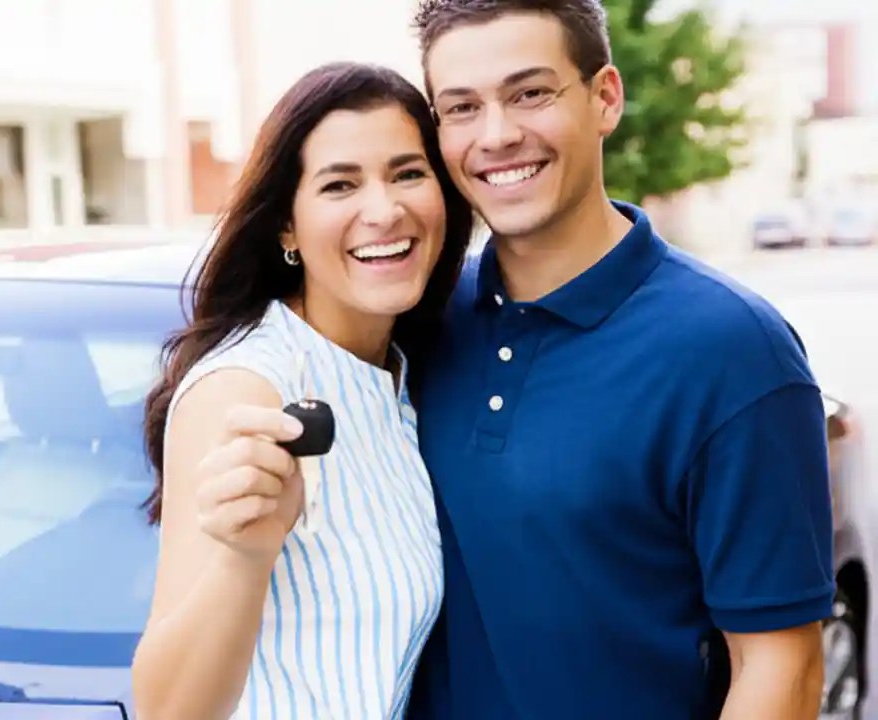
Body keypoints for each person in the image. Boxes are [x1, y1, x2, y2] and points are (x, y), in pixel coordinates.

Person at [404, 1, 834, 718]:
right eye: (461, 108)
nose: (498, 135)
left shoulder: (732, 351)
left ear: (605, 97)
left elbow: (779, 666)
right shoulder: (422, 322)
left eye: (530, 93)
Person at [130, 61, 474, 719]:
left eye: (407, 173)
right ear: (286, 227)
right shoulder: (247, 393)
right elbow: (168, 709)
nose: (384, 209)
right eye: (340, 184)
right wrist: (244, 557)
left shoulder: (404, 371)